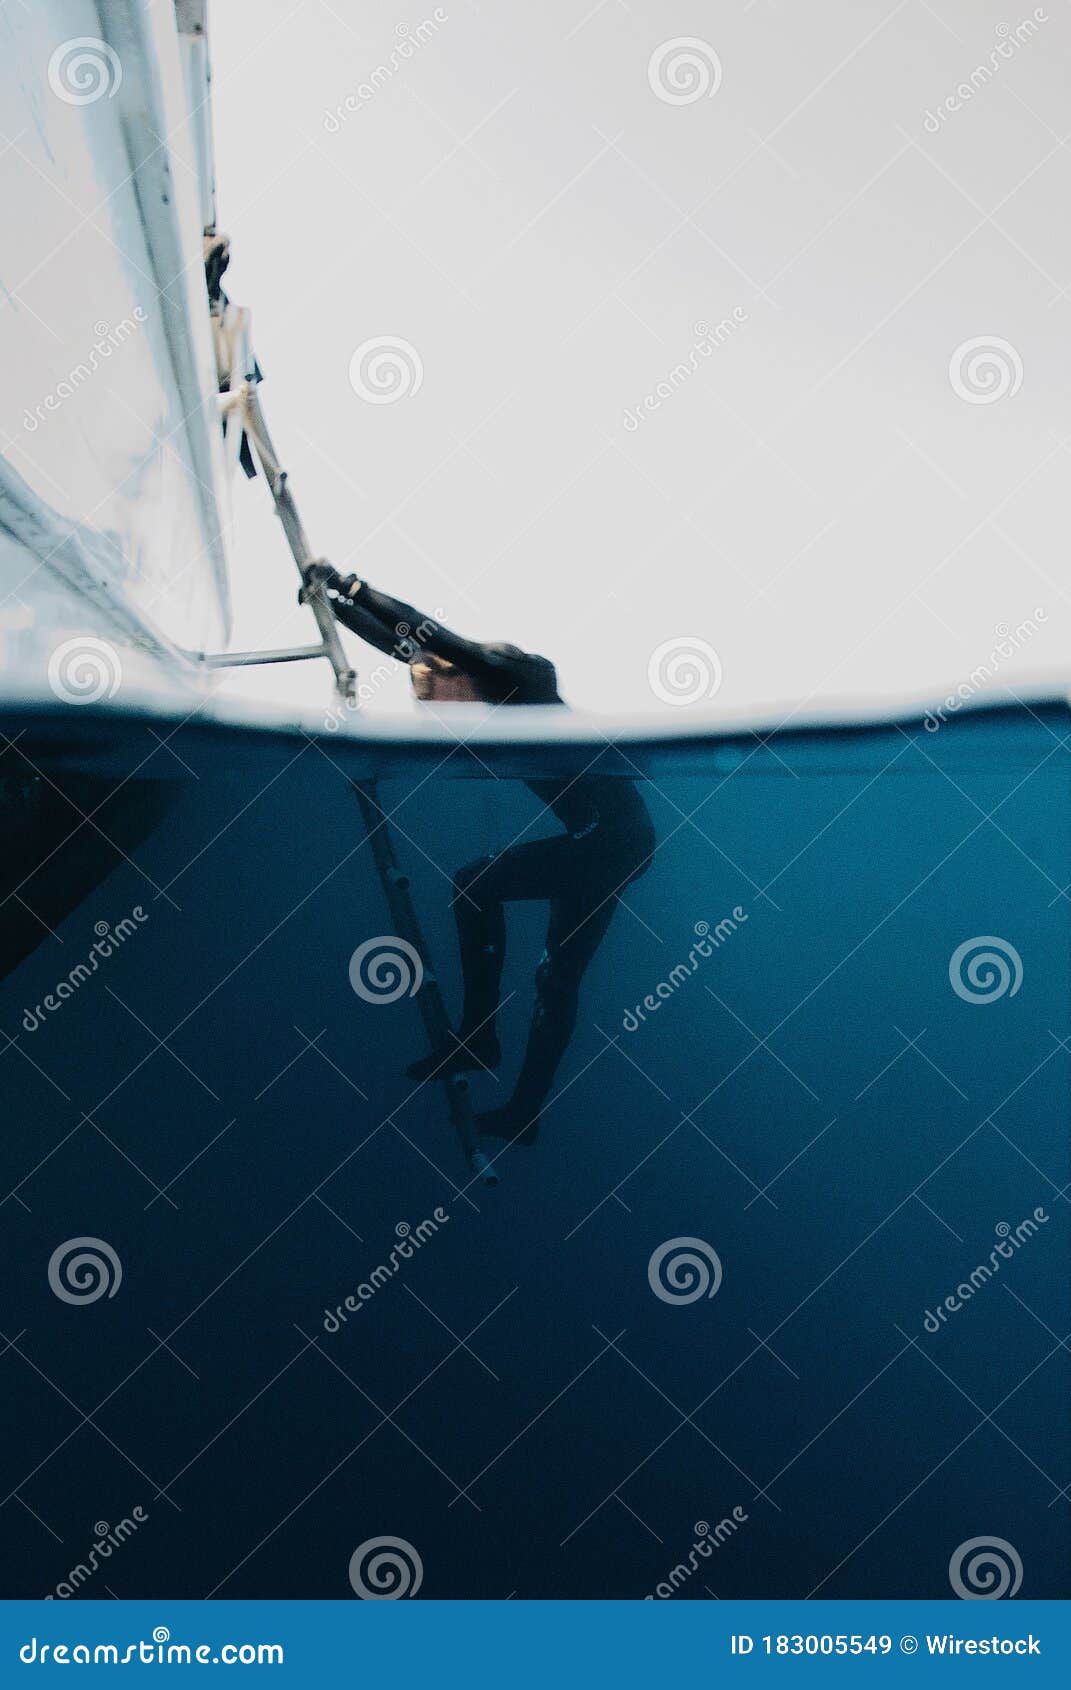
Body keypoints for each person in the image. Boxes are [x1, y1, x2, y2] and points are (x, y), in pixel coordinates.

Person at [305, 566, 656, 1146]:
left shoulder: (516, 674)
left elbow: (434, 638)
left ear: (453, 676)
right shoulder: (477, 687)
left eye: (433, 691)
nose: (436, 707)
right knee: (557, 981)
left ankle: (478, 1037)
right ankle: (524, 1113)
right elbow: (412, 650)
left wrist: (353, 587)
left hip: (609, 839)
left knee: (474, 886)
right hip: (614, 843)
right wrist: (335, 611)